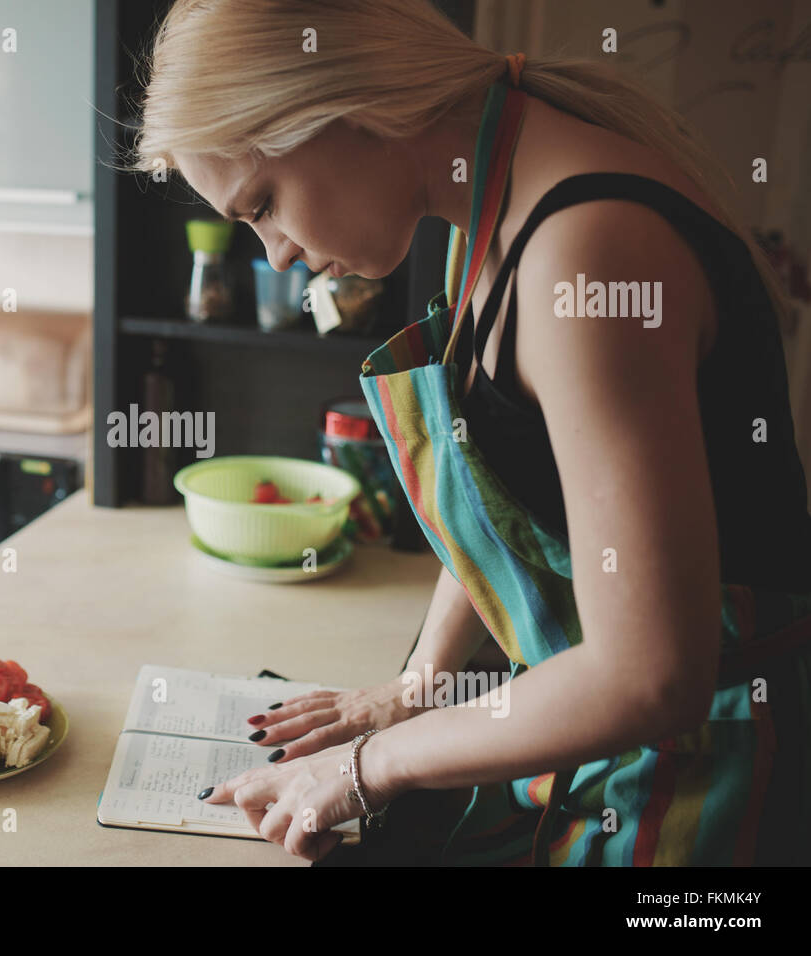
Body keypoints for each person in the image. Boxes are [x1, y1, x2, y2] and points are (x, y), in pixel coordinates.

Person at [126, 0, 811, 864]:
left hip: (709, 782)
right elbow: (505, 497)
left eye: (264, 203)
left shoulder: (585, 253)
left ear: (347, 106)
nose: (277, 257)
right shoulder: (486, 197)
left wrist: (370, 766)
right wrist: (411, 693)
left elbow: (650, 675)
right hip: (605, 746)